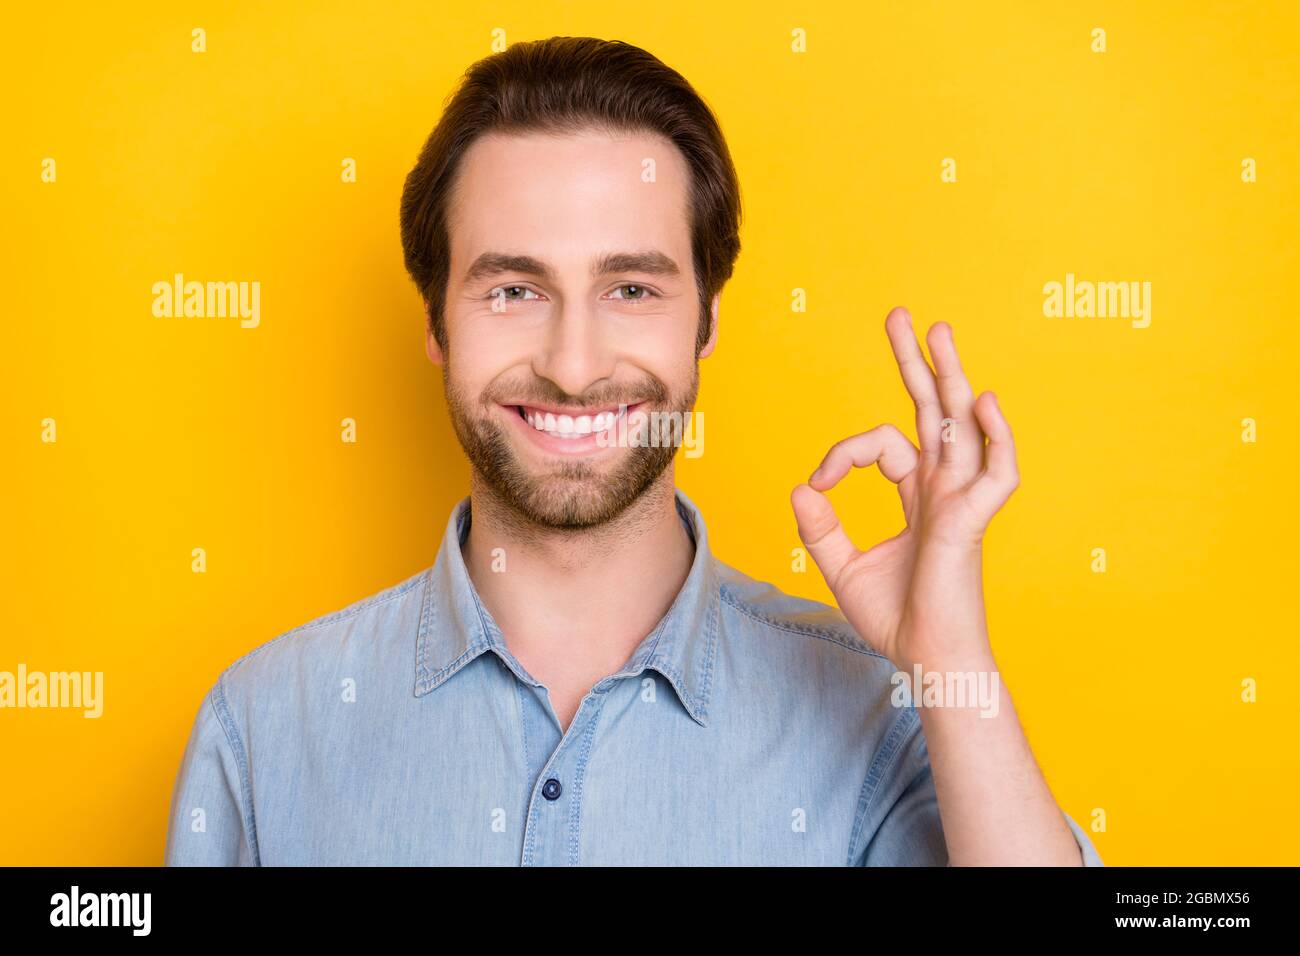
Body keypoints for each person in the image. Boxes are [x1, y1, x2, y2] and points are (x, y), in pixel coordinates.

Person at [164, 36, 1102, 866]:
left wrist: (952, 661)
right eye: (513, 291)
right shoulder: (264, 729)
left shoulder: (883, 716)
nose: (573, 369)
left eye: (632, 291)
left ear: (706, 322)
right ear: (436, 324)